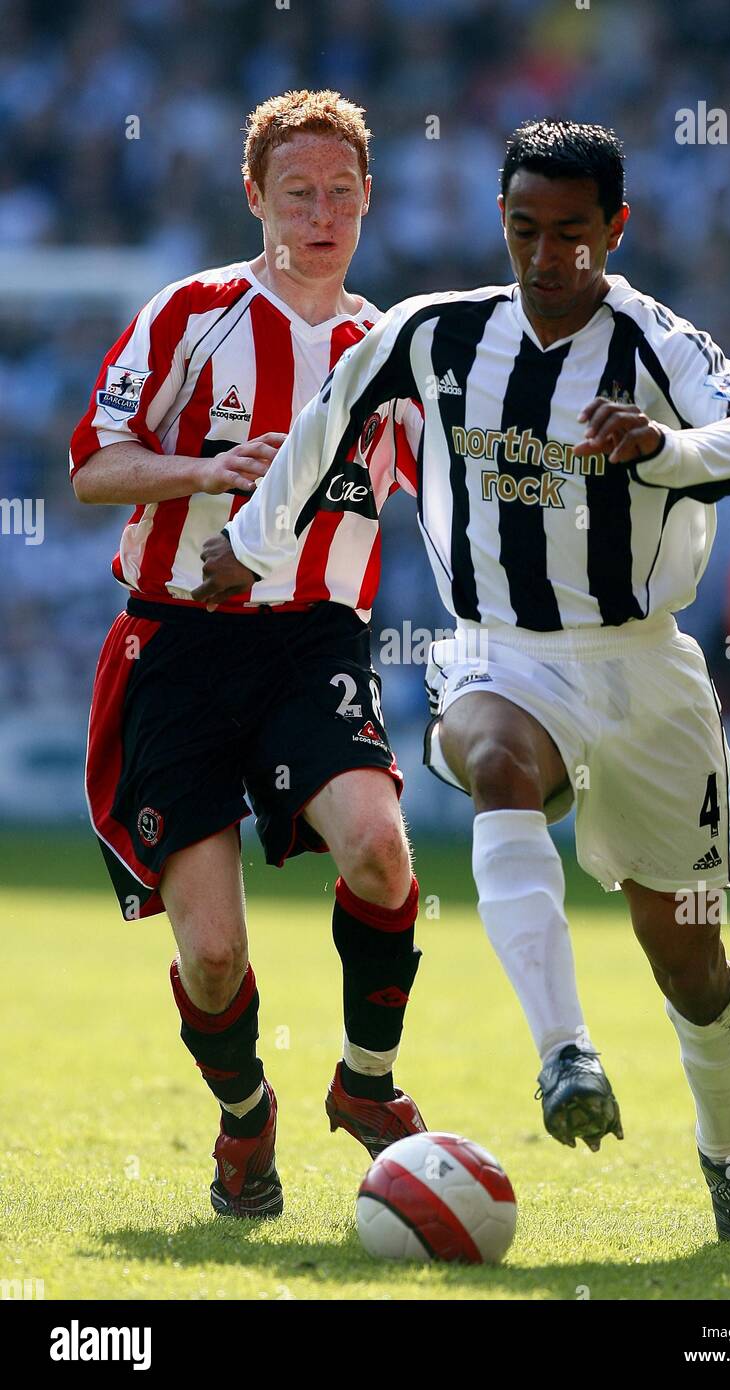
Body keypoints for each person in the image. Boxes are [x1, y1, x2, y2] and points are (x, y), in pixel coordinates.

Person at [196, 120, 730, 1242]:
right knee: (496, 758)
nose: (546, 256)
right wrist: (258, 540)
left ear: (615, 229)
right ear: (500, 224)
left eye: (572, 234)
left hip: (641, 671)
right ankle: (563, 1053)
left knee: (691, 966)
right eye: (524, 230)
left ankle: (729, 1149)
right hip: (497, 649)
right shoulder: (435, 334)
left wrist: (663, 448)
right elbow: (330, 421)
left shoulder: (655, 341)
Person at [69, 89, 426, 1221]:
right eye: (294, 194)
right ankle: (246, 1120)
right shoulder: (191, 316)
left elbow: (454, 501)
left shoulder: (392, 351)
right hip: (177, 642)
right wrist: (210, 473)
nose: (319, 214)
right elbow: (91, 467)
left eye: (338, 192)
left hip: (311, 638)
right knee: (213, 957)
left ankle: (365, 1082)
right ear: (254, 200)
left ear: (368, 194)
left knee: (375, 846)